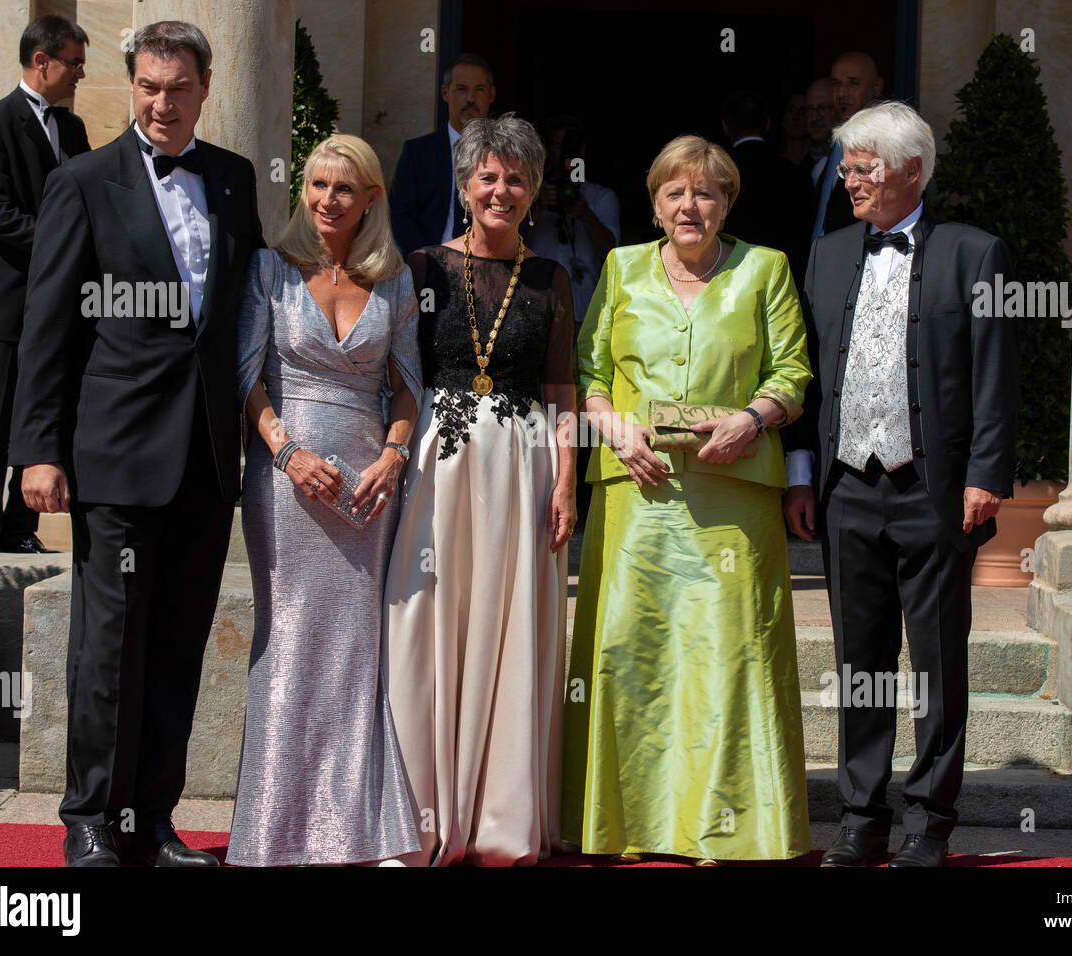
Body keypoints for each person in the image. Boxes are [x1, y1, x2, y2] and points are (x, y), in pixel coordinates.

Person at [9, 20, 264, 867]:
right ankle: (89, 818)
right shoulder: (83, 180)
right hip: (114, 457)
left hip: (204, 457)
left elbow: (245, 318)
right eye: (148, 87)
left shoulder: (230, 179)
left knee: (178, 645)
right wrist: (37, 450)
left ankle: (151, 821)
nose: (162, 103)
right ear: (130, 87)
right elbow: (45, 328)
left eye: (178, 88)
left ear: (205, 86)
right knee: (109, 646)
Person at [562, 134, 813, 863]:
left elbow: (793, 373)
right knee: (631, 651)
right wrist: (612, 431)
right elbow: (589, 368)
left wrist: (751, 419)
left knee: (730, 656)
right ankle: (627, 826)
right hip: (636, 489)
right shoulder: (620, 266)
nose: (689, 205)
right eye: (674, 191)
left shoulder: (765, 268)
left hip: (732, 493)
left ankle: (727, 829)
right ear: (654, 203)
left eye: (705, 192)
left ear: (728, 201)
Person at [785, 102, 1017, 867]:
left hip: (936, 490)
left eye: (864, 165)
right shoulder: (825, 253)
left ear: (912, 169)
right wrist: (800, 473)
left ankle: (930, 822)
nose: (848, 178)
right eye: (846, 164)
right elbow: (809, 377)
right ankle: (861, 817)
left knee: (939, 661)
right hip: (849, 486)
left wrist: (986, 474)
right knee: (861, 661)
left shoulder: (974, 254)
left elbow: (995, 375)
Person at [383, 113, 577, 867]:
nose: (503, 189)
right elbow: (398, 377)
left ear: (533, 190)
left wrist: (566, 480)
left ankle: (500, 820)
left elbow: (562, 388)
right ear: (464, 186)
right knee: (427, 621)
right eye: (489, 176)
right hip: (438, 464)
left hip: (524, 468)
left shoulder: (551, 279)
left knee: (512, 625)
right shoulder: (421, 267)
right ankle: (419, 817)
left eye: (517, 177)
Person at [227, 135, 423, 866]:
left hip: (368, 492)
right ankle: (274, 835)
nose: (326, 200)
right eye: (315, 184)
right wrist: (285, 450)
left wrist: (396, 456)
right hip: (284, 482)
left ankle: (356, 832)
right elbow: (246, 375)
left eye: (344, 188)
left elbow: (407, 386)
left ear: (370, 198)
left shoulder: (396, 279)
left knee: (354, 650)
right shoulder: (269, 270)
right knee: (288, 643)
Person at [0, 14, 90, 554]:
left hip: (58, 306)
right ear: (43, 60)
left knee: (39, 414)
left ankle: (20, 527)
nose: (81, 74)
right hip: (4, 305)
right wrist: (64, 248)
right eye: (74, 63)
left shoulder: (74, 129)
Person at [388, 53, 495, 257]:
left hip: (489, 267)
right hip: (428, 267)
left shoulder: (504, 156)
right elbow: (400, 216)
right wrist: (428, 261)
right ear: (445, 93)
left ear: (491, 94)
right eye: (462, 90)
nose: (470, 99)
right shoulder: (418, 153)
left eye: (479, 90)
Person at [528, 115, 619, 326]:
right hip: (537, 306)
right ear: (547, 149)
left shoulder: (600, 197)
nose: (563, 153)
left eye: (569, 147)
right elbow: (512, 243)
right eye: (558, 146)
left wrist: (586, 215)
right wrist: (538, 208)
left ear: (581, 150)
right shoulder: (531, 194)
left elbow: (612, 252)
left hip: (584, 308)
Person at [722, 89, 810, 277]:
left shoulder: (718, 174)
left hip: (729, 276)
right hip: (783, 276)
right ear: (768, 124)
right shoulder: (793, 173)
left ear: (725, 127)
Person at [811, 51, 884, 244]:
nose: (842, 93)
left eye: (853, 83)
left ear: (876, 86)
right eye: (836, 84)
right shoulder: (837, 138)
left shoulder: (886, 140)